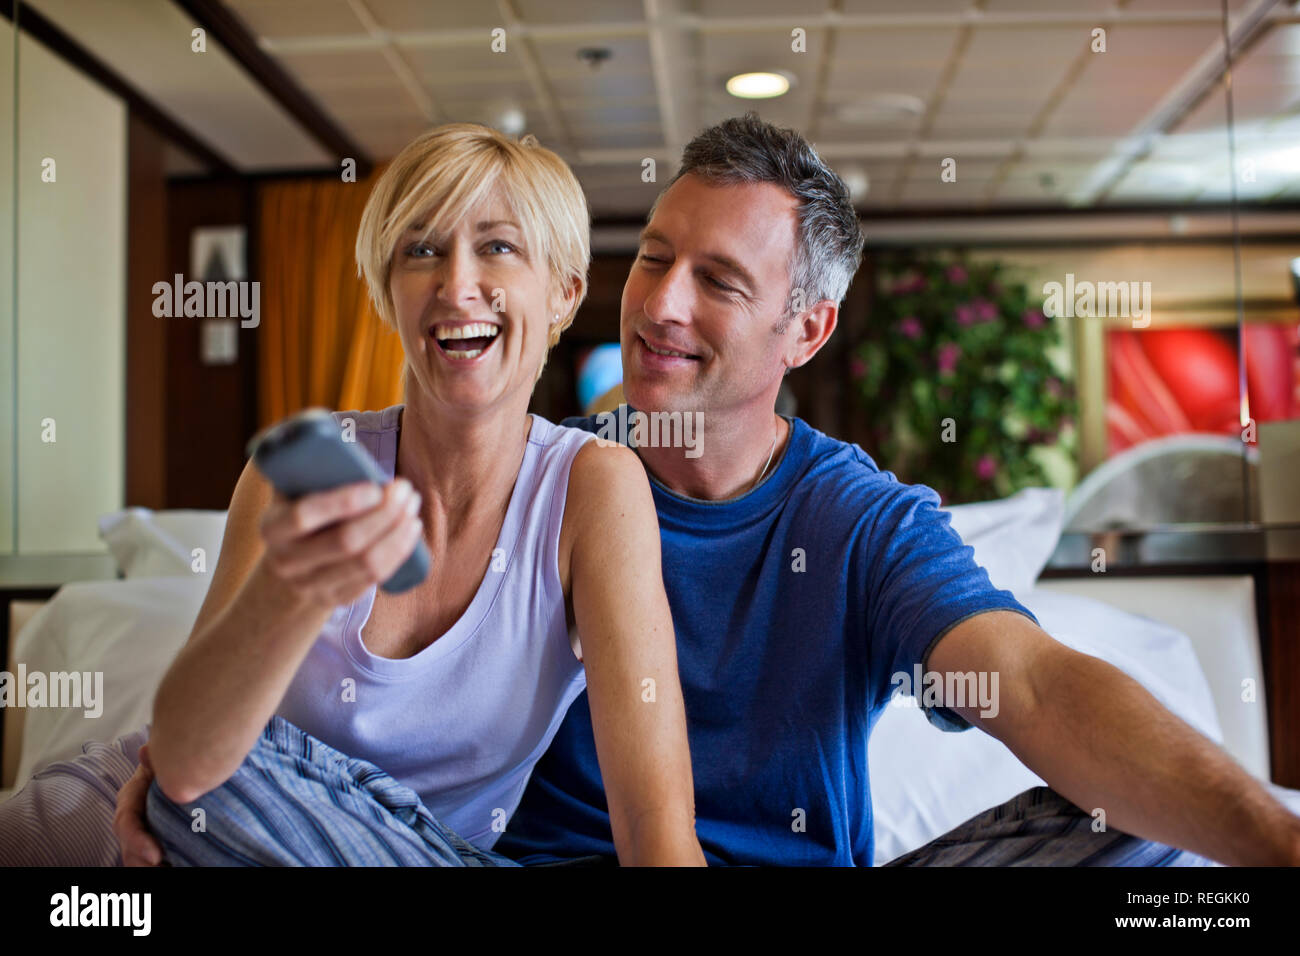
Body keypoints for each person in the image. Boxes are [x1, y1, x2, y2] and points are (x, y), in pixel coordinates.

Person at [488, 113, 1300, 867]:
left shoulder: (859, 520)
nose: (660, 304)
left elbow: (1030, 684)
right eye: (654, 258)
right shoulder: (533, 475)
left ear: (807, 330)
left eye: (720, 281)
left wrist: (1276, 840)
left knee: (1147, 829)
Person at [1, 122, 704, 867]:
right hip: (180, 818)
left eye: (498, 246)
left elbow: (655, 827)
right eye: (420, 250)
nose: (456, 283)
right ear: (385, 292)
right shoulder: (303, 469)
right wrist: (292, 589)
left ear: (564, 291)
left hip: (411, 853)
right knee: (198, 785)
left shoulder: (593, 485)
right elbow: (185, 758)